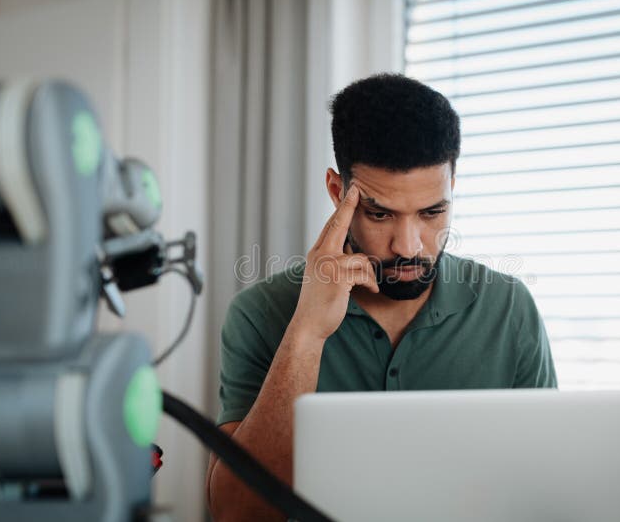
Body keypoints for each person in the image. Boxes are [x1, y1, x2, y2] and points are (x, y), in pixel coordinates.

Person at [205, 74, 557, 522]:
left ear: (454, 185)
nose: (409, 245)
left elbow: (547, 494)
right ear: (338, 193)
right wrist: (307, 335)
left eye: (433, 212)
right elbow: (237, 515)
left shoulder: (510, 309)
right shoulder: (260, 314)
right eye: (380, 214)